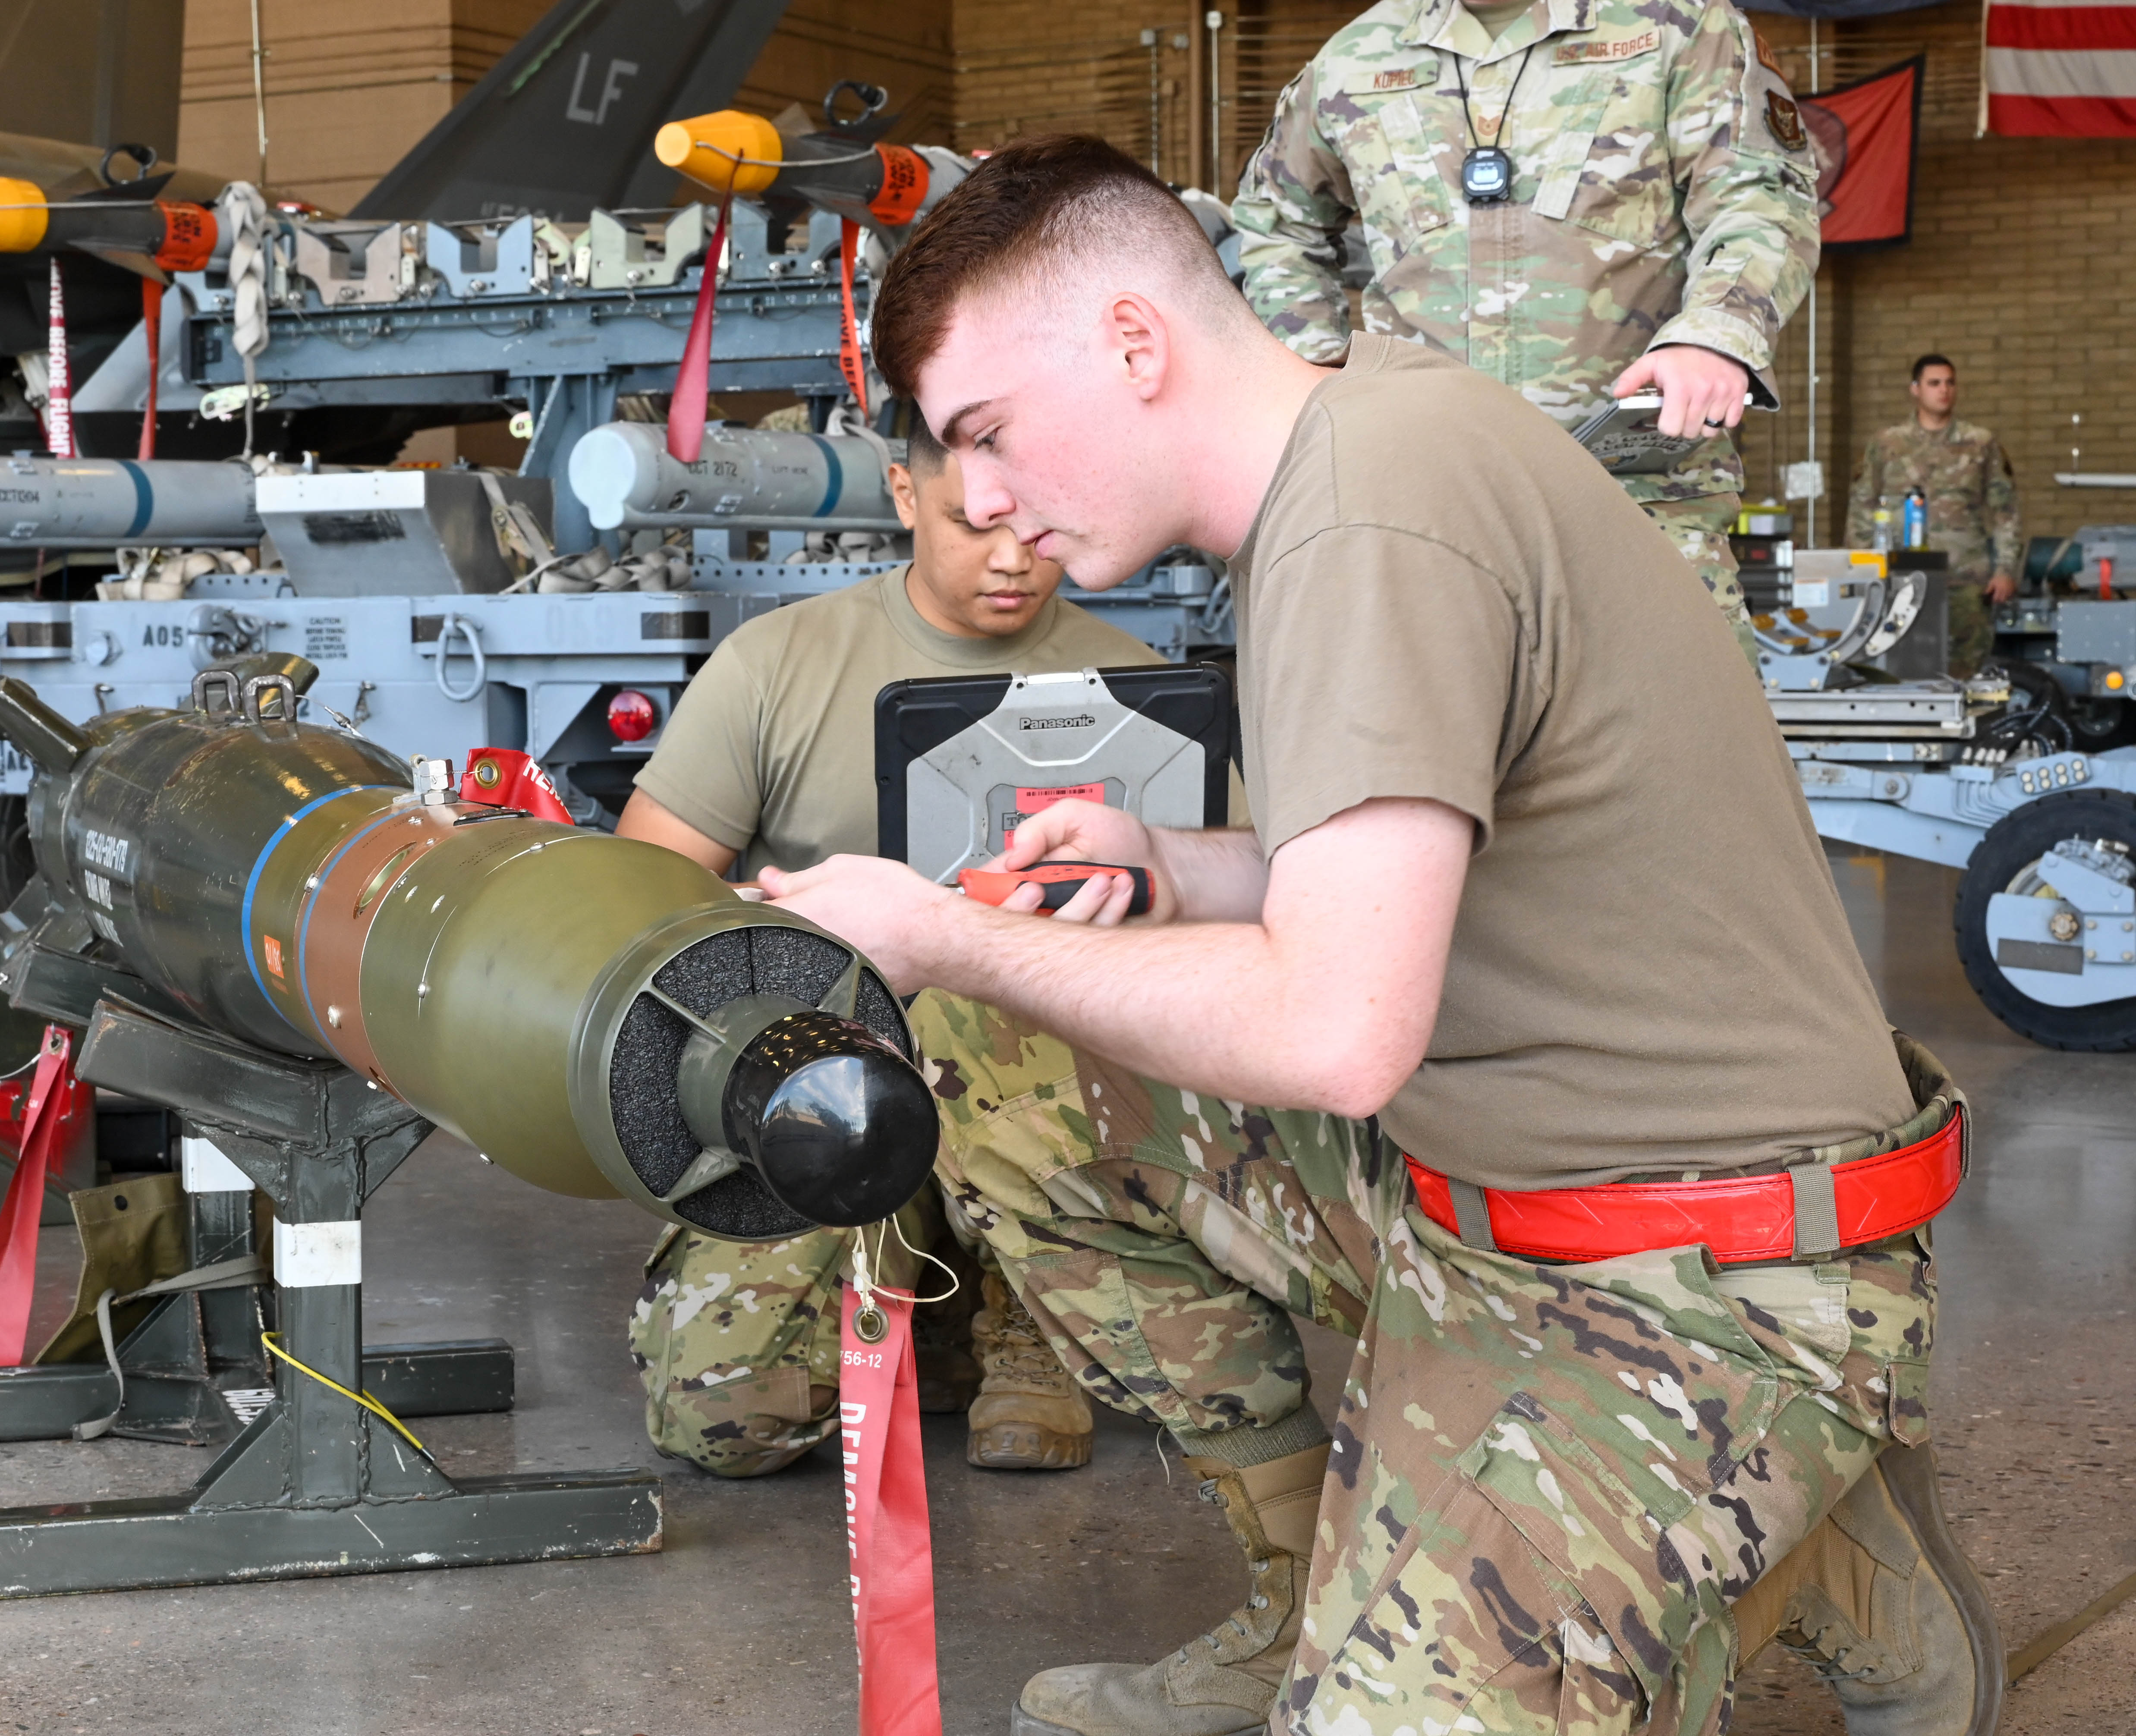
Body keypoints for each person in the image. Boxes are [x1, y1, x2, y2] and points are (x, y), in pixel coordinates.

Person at [761, 136, 2000, 1736]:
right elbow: (1410, 855)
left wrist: (938, 929)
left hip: (1712, 1267)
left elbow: (1332, 1028)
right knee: (1002, 1069)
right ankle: (1317, 1591)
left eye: (983, 430)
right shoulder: (1363, 445)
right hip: (1492, 1190)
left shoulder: (1367, 517)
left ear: (1132, 344)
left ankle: (1778, 1511)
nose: (977, 499)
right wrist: (1171, 861)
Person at [616, 420, 1166, 1478]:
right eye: (976, 523)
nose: (1013, 559)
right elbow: (650, 905)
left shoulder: (1137, 691)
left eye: (1042, 527)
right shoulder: (780, 666)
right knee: (730, 1414)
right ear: (906, 495)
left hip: (1059, 1108)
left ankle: (1021, 1308)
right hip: (829, 1093)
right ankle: (931, 1291)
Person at [1230, 0, 1820, 634]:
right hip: (1414, 509)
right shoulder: (1356, 57)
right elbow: (1276, 223)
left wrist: (1716, 335)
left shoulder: (1677, 27)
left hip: (1636, 506)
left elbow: (1760, 196)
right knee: (1418, 730)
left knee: (1682, 727)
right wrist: (1320, 377)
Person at [1846, 354, 2022, 677]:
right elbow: (1862, 508)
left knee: (1966, 670)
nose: (1944, 390)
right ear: (1915, 389)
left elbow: (2004, 511)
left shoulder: (1980, 443)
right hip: (1899, 576)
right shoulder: (1888, 444)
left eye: (1950, 383)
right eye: (1934, 383)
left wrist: (2005, 569)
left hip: (1965, 577)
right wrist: (1860, 569)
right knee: (1897, 667)